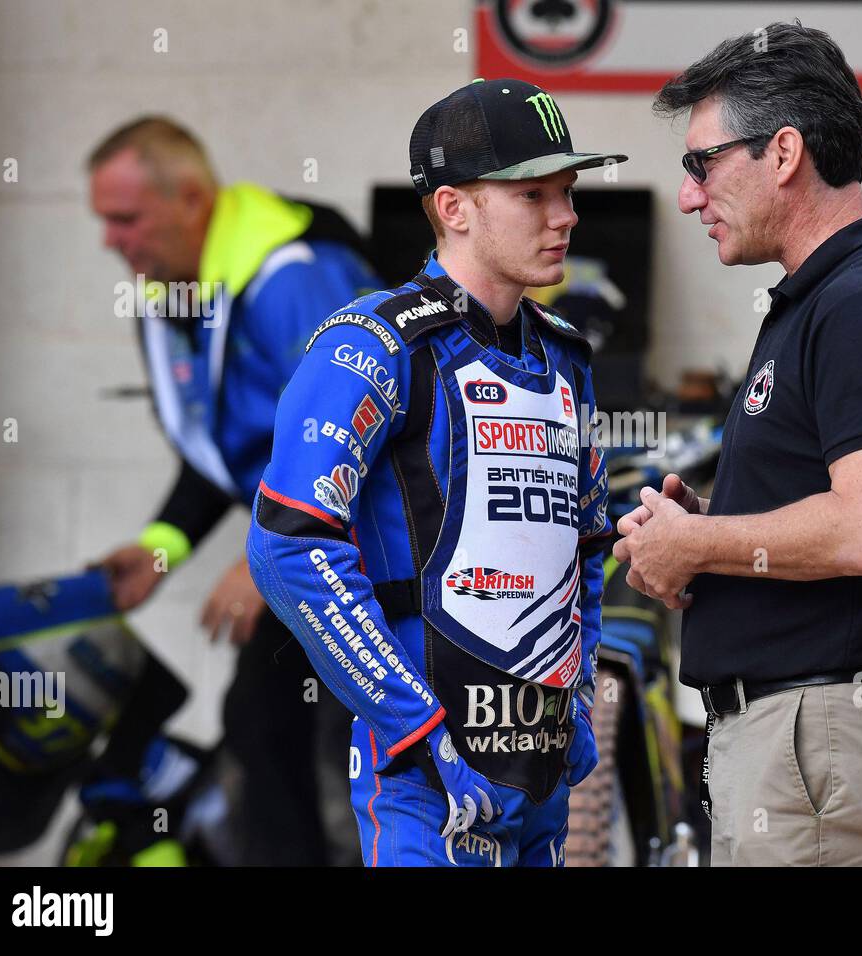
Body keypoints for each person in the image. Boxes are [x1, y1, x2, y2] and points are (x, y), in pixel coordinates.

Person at [615, 22, 862, 866]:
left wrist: (695, 541)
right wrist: (710, 533)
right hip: (808, 741)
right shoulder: (827, 299)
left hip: (822, 738)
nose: (690, 196)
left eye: (702, 164)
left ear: (782, 152)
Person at [246, 79, 622, 866]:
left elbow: (587, 545)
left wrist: (579, 702)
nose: (567, 217)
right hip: (429, 782)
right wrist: (411, 724)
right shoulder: (372, 345)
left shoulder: (565, 356)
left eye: (568, 191)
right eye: (532, 194)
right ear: (453, 208)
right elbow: (288, 547)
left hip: (542, 776)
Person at [88, 116, 382, 865]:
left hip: (364, 560)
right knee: (261, 727)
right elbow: (229, 451)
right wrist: (160, 550)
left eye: (125, 218)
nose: (110, 240)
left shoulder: (295, 278)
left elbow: (361, 434)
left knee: (310, 748)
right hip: (303, 557)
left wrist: (270, 557)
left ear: (191, 197)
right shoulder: (180, 294)